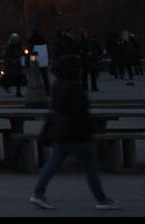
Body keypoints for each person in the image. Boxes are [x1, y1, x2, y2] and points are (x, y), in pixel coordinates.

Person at [30, 55, 118, 209]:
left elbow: (55, 110)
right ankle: (101, 199)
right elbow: (80, 112)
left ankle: (38, 193)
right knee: (90, 166)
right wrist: (89, 129)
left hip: (61, 132)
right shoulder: (75, 87)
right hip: (77, 134)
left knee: (52, 165)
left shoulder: (56, 85)